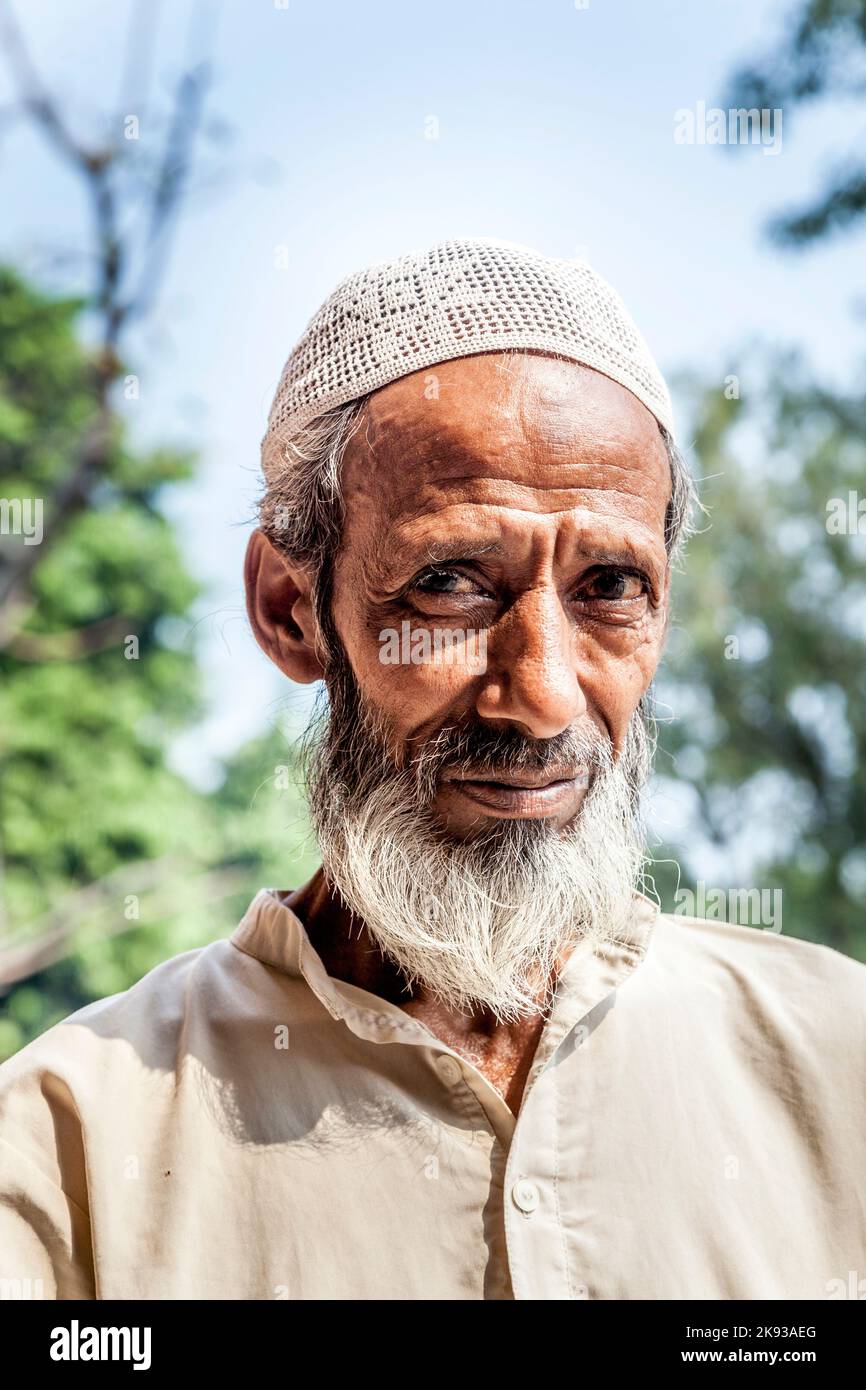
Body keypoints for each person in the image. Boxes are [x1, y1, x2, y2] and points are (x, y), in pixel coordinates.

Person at [1, 237, 864, 1301]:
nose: (541, 695)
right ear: (290, 610)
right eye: (450, 582)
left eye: (606, 586)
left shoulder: (836, 1061)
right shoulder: (64, 1152)